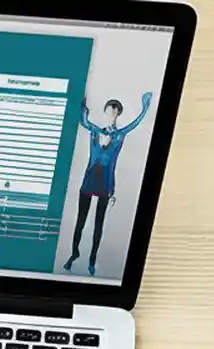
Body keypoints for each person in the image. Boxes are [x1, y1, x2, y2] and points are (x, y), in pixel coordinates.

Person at [65, 92, 153, 276]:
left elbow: (135, 124)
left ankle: (92, 260)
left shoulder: (120, 135)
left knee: (99, 224)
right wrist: (82, 102)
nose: (112, 112)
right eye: (109, 108)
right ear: (105, 111)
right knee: (80, 222)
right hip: (89, 181)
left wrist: (145, 107)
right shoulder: (94, 131)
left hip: (105, 183)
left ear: (118, 113)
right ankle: (74, 254)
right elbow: (83, 120)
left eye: (115, 110)